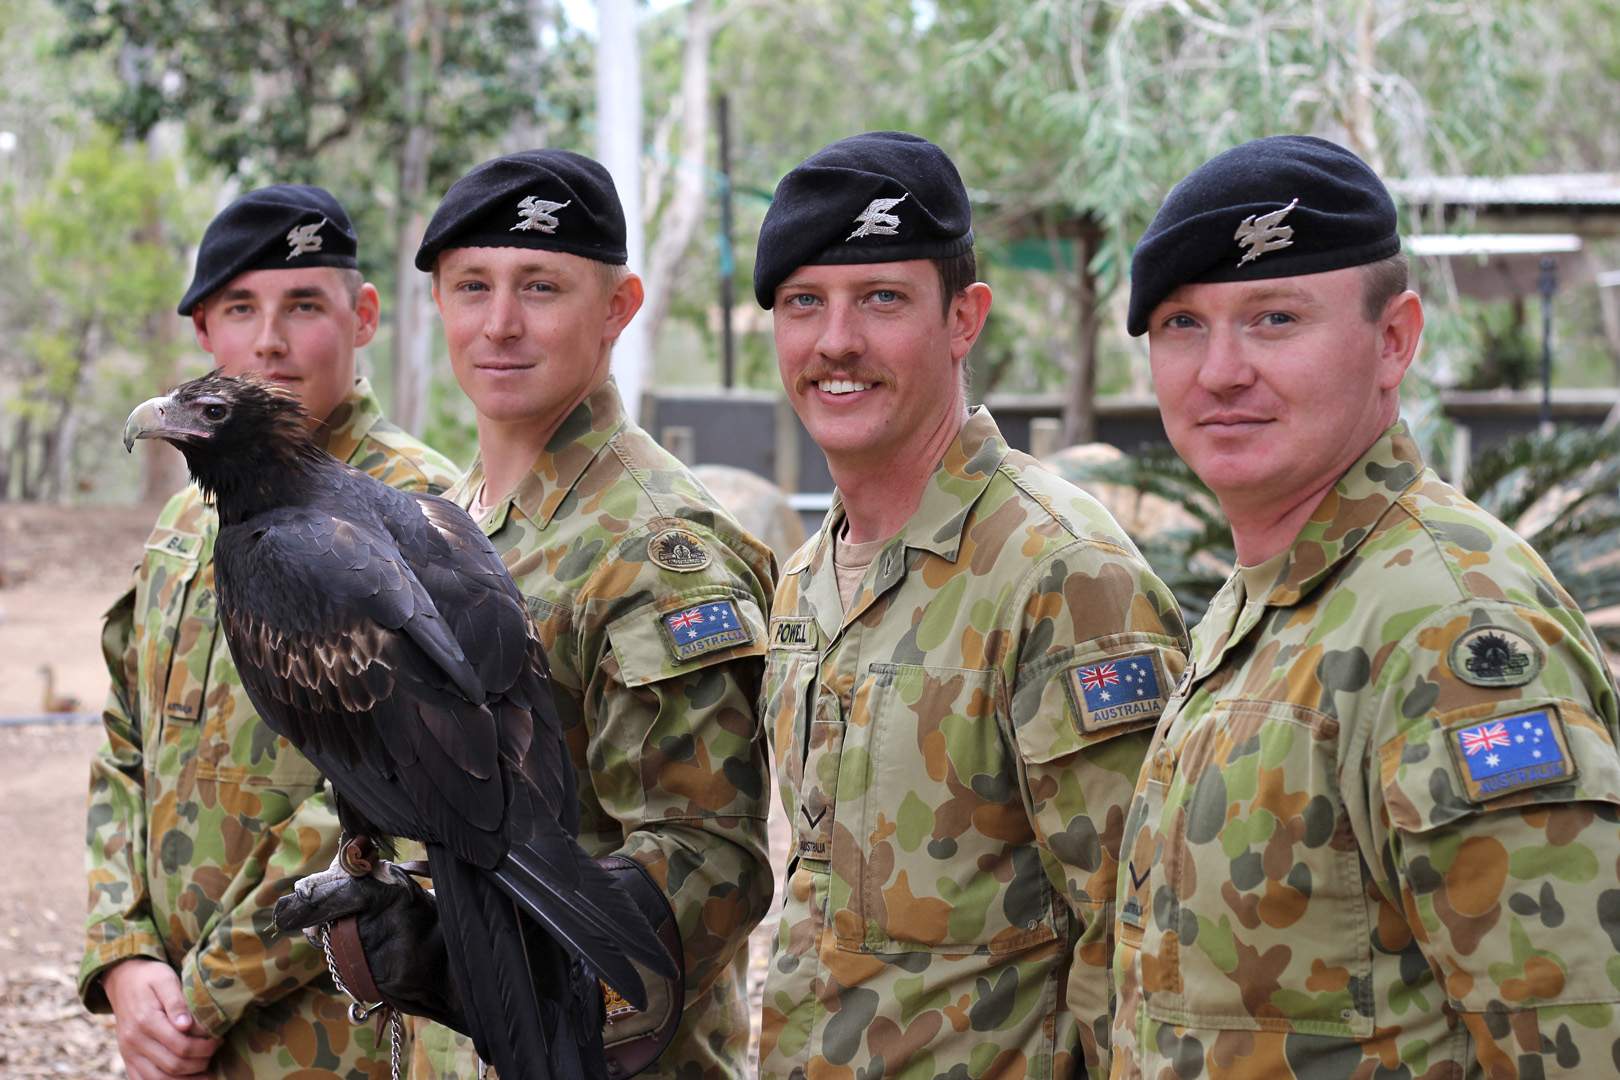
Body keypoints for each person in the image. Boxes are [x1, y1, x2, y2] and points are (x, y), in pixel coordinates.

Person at [1110, 135, 1620, 1077]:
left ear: (1395, 341)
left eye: (1273, 318)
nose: (1220, 370)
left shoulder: (1451, 629)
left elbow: (1575, 1045)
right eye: (1183, 324)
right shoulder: (1274, 598)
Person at [284, 149, 778, 1079]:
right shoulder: (441, 515)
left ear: (618, 308)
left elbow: (710, 861)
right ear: (438, 304)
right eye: (473, 286)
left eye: (541, 286)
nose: (500, 324)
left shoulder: (658, 545)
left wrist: (482, 976)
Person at [751, 130, 1190, 1079]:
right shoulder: (807, 582)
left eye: (882, 299)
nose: (836, 341)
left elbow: (1138, 947)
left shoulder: (1057, 574)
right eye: (802, 304)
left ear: (964, 319)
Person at [81, 184, 461, 1079]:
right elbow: (124, 739)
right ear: (205, 332)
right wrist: (125, 953)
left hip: (344, 1025)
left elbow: (396, 786)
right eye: (240, 308)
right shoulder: (186, 516)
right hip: (178, 1021)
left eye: (304, 306)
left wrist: (206, 993)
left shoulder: (426, 511)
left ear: (363, 317)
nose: (271, 342)